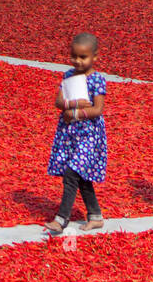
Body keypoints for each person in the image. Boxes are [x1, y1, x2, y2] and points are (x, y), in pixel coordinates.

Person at [45, 33, 107, 235]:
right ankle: (95, 216)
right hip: (70, 133)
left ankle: (61, 219)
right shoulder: (68, 76)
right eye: (74, 56)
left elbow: (98, 109)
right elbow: (58, 101)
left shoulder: (97, 79)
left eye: (83, 57)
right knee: (79, 174)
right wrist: (73, 105)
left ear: (95, 57)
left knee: (72, 172)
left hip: (89, 134)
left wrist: (75, 113)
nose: (77, 61)